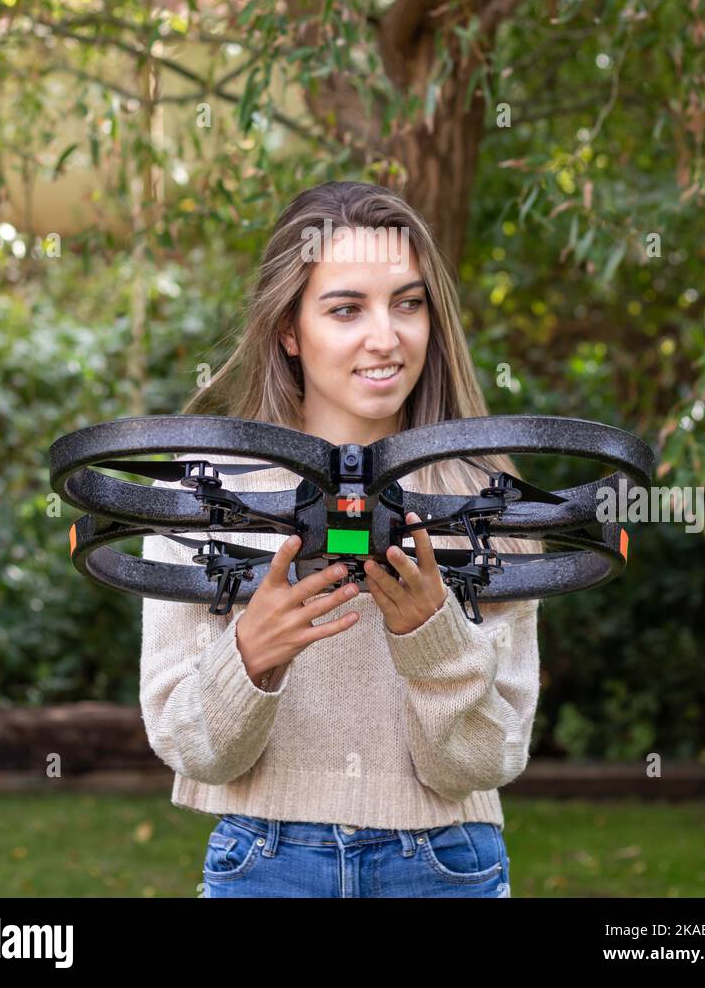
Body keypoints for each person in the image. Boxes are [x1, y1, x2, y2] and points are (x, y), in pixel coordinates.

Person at [139, 180, 542, 898]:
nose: (385, 337)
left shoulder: (487, 502)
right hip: (263, 866)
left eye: (408, 304)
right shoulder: (203, 497)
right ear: (289, 329)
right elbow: (191, 747)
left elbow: (487, 760)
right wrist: (249, 658)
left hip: (447, 867)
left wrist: (433, 641)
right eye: (346, 308)